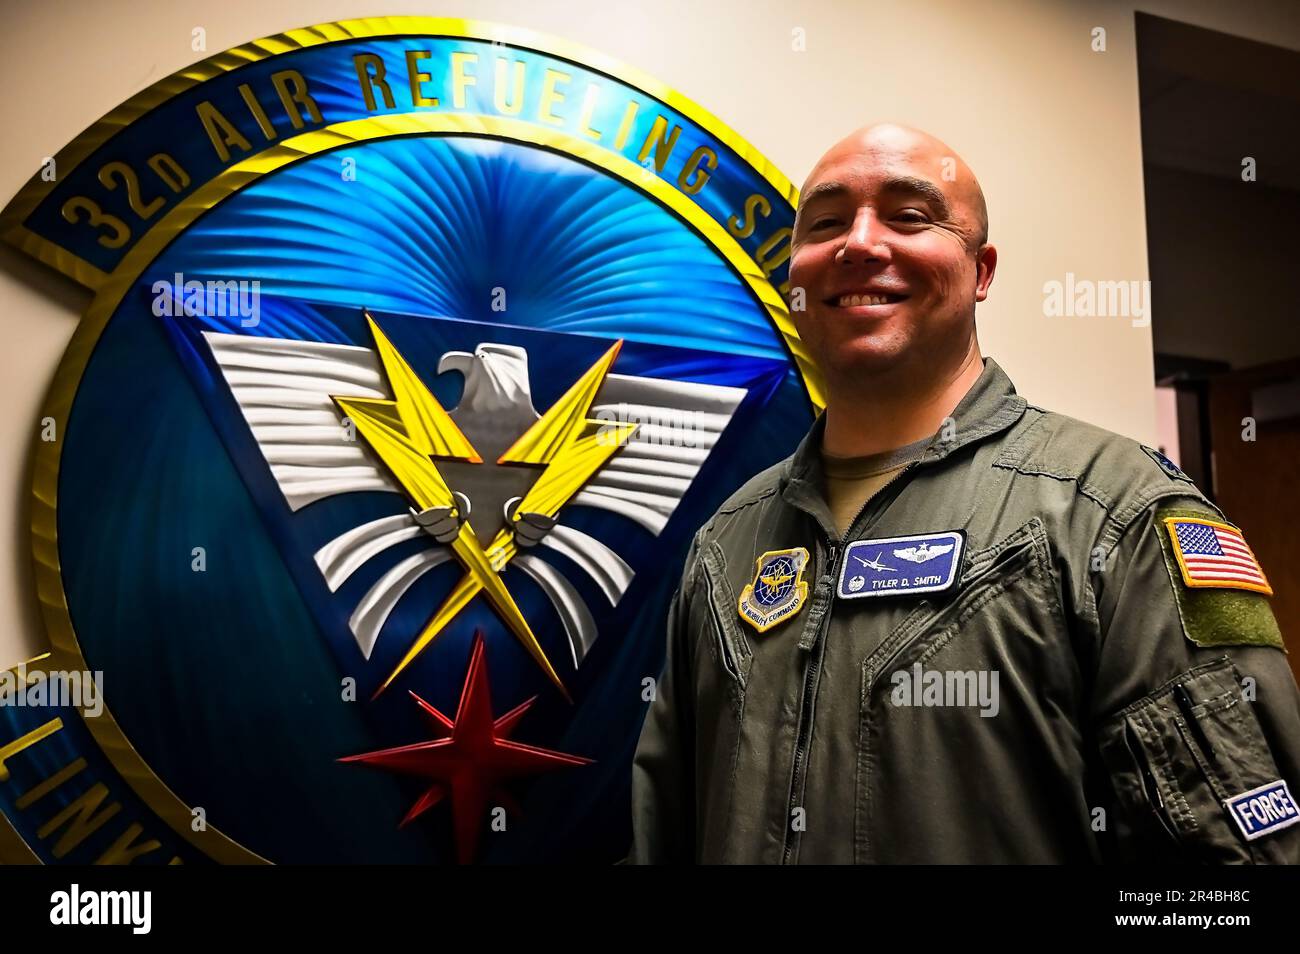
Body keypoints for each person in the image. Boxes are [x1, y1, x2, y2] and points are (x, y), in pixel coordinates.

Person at [627, 123, 1300, 864]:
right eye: (825, 223)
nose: (858, 243)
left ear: (981, 271)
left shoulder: (1118, 515)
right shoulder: (727, 542)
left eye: (909, 216)